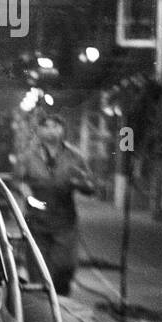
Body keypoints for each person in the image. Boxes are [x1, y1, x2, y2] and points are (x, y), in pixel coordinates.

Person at [13, 113, 96, 295]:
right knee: (38, 271)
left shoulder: (75, 157)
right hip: (37, 221)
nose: (51, 130)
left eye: (56, 126)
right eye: (46, 126)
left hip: (65, 222)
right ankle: (44, 309)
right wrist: (28, 195)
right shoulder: (28, 157)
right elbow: (18, 180)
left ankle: (62, 304)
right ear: (39, 130)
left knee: (64, 268)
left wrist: (79, 182)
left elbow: (90, 186)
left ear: (63, 130)